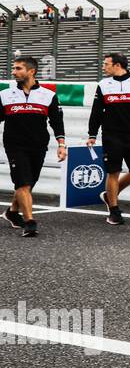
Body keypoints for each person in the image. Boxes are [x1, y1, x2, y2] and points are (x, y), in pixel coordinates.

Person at [85, 53, 130, 225]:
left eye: (106, 64)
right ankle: (114, 210)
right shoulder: (103, 84)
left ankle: (110, 194)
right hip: (111, 135)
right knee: (113, 171)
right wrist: (92, 134)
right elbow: (96, 112)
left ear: (117, 65)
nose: (104, 67)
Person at [2, 56, 66, 236]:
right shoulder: (5, 95)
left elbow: (57, 122)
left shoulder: (49, 95)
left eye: (18, 68)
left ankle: (12, 213)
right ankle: (30, 222)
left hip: (38, 146)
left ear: (31, 71)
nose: (14, 72)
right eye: (14, 68)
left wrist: (62, 144)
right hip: (15, 146)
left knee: (28, 183)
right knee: (22, 182)